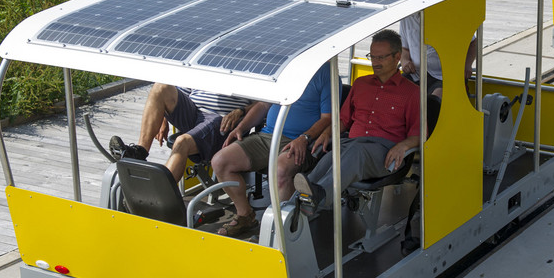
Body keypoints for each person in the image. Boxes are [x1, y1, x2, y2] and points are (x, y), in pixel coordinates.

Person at [294, 29, 421, 212]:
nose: (375, 63)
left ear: (397, 57)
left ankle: (321, 196)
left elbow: (418, 133)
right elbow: (344, 120)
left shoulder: (411, 93)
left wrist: (402, 146)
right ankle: (298, 200)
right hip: (352, 144)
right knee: (330, 156)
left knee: (355, 151)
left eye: (381, 58)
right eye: (372, 56)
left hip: (384, 152)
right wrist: (326, 134)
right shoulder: (361, 84)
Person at [210, 64, 333, 236]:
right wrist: (242, 127)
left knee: (280, 170)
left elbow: (328, 118)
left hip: (301, 141)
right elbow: (263, 105)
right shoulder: (284, 66)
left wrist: (304, 138)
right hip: (268, 135)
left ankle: (284, 230)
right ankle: (245, 216)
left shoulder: (324, 71)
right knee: (220, 161)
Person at [109, 85, 250, 182]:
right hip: (193, 110)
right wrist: (163, 117)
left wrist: (241, 111)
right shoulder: (208, 54)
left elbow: (263, 105)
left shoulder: (251, 61)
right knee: (160, 87)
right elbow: (180, 90)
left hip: (221, 118)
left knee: (181, 142)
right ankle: (139, 152)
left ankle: (159, 192)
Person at [400, 11, 477, 98]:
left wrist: (467, 65)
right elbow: (404, 48)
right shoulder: (406, 17)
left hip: (445, 76)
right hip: (416, 74)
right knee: (394, 89)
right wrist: (405, 61)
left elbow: (473, 43)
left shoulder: (448, 13)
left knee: (435, 100)